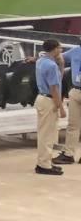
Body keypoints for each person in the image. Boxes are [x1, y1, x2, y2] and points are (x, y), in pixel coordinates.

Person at [36, 46, 65, 177]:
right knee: (47, 135)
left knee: (48, 133)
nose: (61, 50)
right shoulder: (52, 66)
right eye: (60, 48)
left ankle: (45, 161)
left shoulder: (41, 61)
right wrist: (61, 107)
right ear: (54, 49)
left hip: (42, 98)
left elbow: (58, 80)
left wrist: (61, 64)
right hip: (49, 100)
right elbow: (54, 88)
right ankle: (44, 165)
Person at [63, 40, 81, 167]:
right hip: (76, 91)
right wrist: (37, 59)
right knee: (72, 125)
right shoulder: (75, 51)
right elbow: (58, 57)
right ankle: (69, 154)